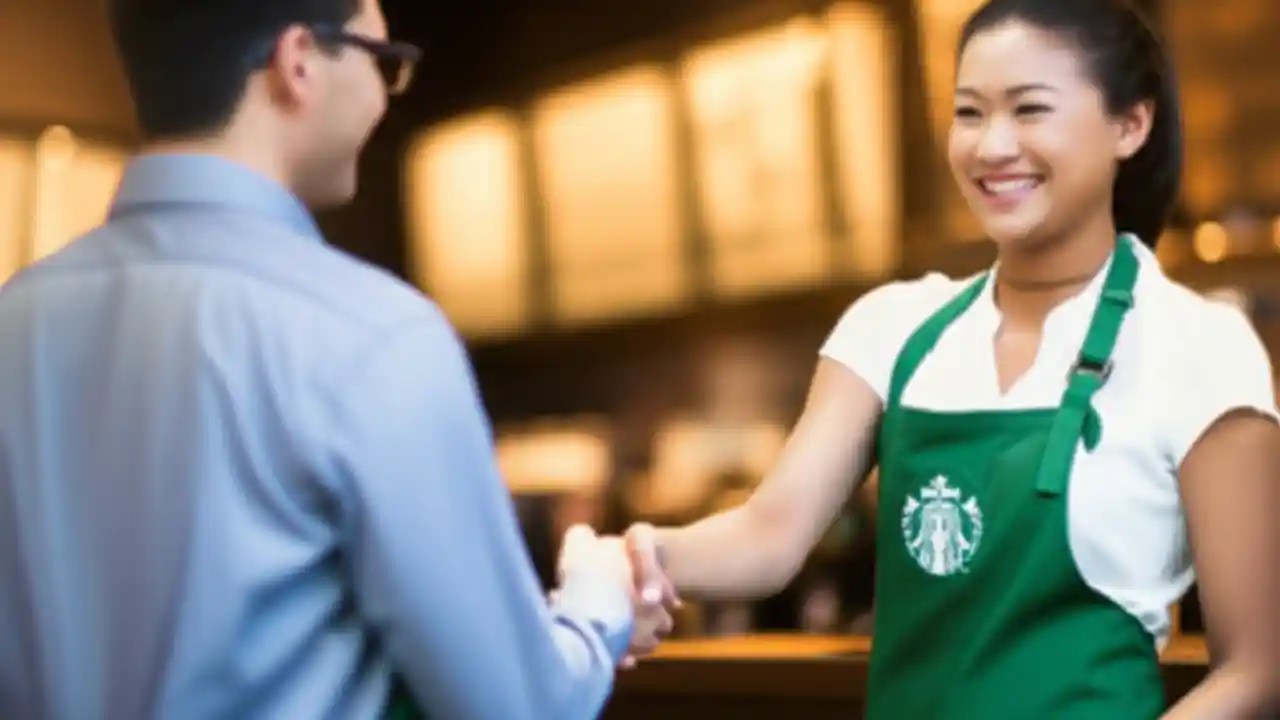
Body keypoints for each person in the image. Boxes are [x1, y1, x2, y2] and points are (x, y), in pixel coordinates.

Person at [0, 1, 668, 718]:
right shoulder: (372, 337)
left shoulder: (15, 322)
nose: (384, 94)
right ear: (298, 63)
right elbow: (521, 704)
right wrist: (598, 599)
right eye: (382, 62)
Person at [611, 0, 1280, 717]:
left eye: (1029, 110)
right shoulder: (895, 327)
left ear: (1130, 124)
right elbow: (769, 535)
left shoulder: (1196, 345)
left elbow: (1256, 672)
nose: (991, 147)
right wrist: (633, 561)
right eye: (969, 113)